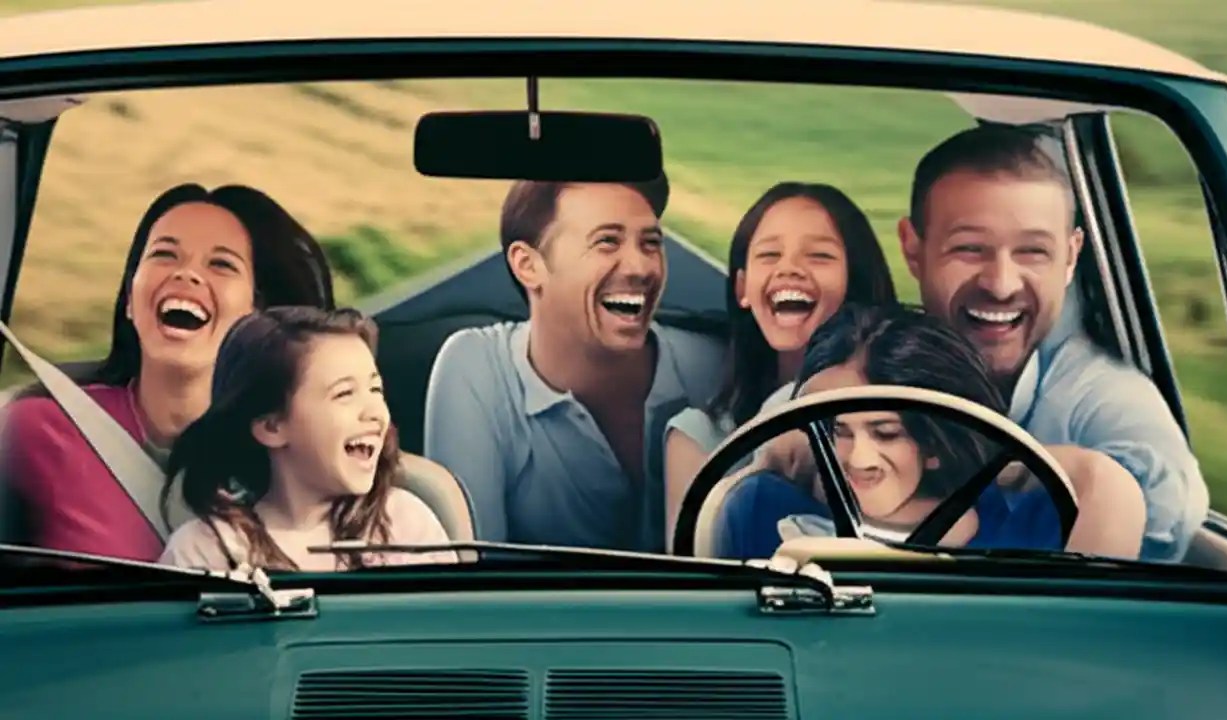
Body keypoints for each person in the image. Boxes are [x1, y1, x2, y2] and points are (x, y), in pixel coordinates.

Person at [895, 125, 1207, 562]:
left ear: (1070, 257)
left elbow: (1168, 508)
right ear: (913, 250)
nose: (1001, 285)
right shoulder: (868, 360)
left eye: (1032, 252)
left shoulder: (1094, 392)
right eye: (969, 249)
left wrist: (1050, 470)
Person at [0, 183, 334, 562]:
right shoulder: (34, 431)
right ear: (129, 298)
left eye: (221, 264)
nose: (186, 274)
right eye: (164, 254)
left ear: (260, 317)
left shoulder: (298, 452)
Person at [422, 177, 723, 552]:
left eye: (651, 243)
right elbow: (468, 570)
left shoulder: (713, 367)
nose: (641, 267)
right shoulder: (477, 367)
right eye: (607, 241)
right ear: (528, 265)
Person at [715, 302, 1147, 560]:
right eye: (835, 429)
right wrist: (769, 456)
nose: (858, 458)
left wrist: (999, 463)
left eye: (886, 433)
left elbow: (1106, 484)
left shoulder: (1027, 530)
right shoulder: (762, 509)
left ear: (934, 442)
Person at [663, 182, 896, 543]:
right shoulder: (698, 437)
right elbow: (693, 575)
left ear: (856, 281)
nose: (790, 269)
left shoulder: (909, 409)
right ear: (742, 288)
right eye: (769, 255)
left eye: (819, 256)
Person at [159, 307, 455, 571]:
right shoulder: (206, 554)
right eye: (344, 394)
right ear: (271, 426)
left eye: (376, 390)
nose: (375, 413)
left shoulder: (405, 528)